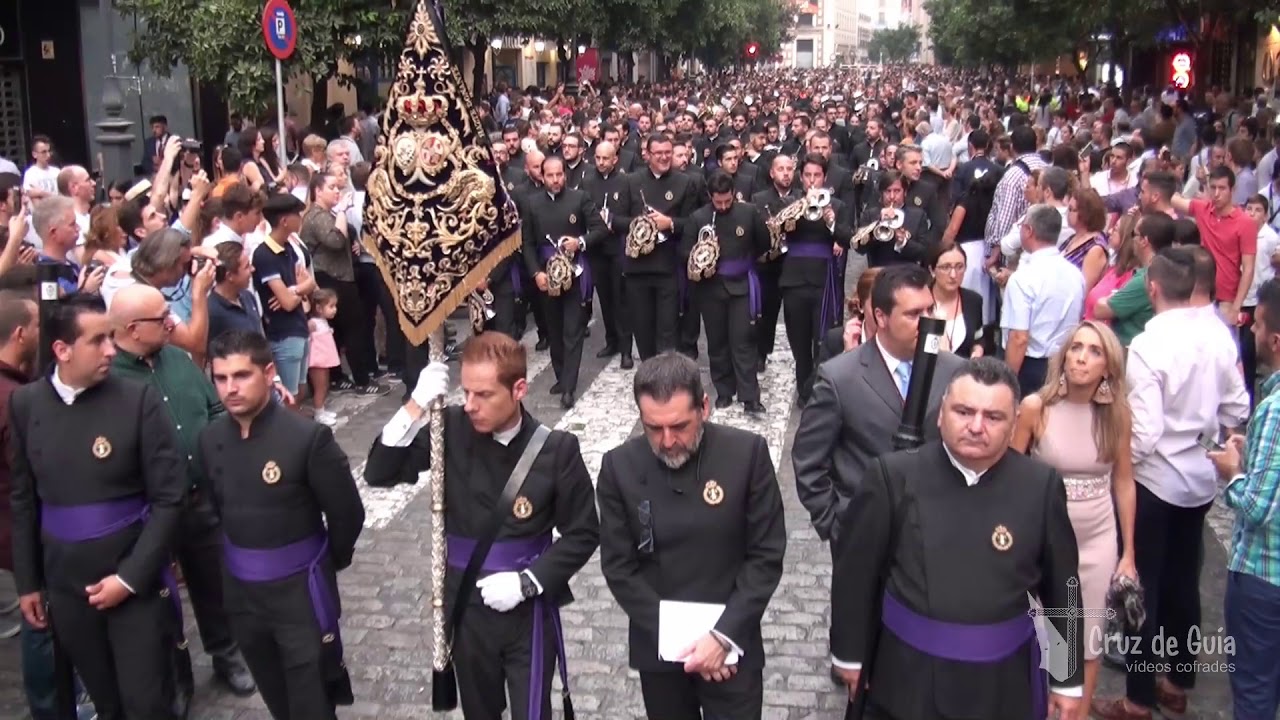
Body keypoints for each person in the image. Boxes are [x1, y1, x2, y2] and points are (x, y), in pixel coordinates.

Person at [830, 357, 1083, 720]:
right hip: (907, 676)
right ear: (941, 414)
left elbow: (1063, 585)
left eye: (993, 417)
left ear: (1013, 425)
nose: (976, 426)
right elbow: (856, 572)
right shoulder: (893, 476)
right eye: (964, 411)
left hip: (1002, 683)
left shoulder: (1040, 487)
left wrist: (1066, 678)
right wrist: (850, 655)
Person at [364, 332, 599, 720]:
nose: (470, 405)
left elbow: (584, 532)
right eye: (466, 392)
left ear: (519, 388)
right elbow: (379, 473)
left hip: (528, 613)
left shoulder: (556, 449)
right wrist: (414, 405)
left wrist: (529, 581)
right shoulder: (450, 427)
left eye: (484, 395)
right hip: (465, 604)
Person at [10, 294, 188, 719]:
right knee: (106, 700)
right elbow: (23, 497)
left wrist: (129, 578)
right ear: (61, 350)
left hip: (132, 580)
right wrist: (29, 583)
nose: (111, 349)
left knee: (145, 702)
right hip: (67, 585)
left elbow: (169, 497)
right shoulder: (26, 404)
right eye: (98, 341)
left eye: (111, 337)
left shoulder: (136, 401)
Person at [596, 351, 786, 719]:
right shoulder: (620, 467)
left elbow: (765, 554)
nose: (668, 441)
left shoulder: (747, 455)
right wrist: (689, 644)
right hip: (661, 649)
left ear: (704, 407)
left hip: (732, 649)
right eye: (653, 428)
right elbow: (619, 568)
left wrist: (722, 639)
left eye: (680, 426)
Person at [198, 330, 365, 720]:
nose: (230, 388)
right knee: (276, 698)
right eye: (220, 378)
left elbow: (347, 514)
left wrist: (325, 563)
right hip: (243, 596)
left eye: (241, 376)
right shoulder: (210, 439)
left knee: (311, 703)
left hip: (299, 596)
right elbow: (218, 508)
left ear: (269, 372)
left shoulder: (307, 438)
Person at [107, 284, 257, 699]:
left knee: (212, 583)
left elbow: (212, 408)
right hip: (150, 511)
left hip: (200, 498)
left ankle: (226, 652)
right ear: (134, 329)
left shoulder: (177, 359)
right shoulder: (111, 378)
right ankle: (173, 675)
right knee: (159, 598)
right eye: (161, 318)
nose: (172, 321)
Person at [792, 263, 966, 547]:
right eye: (913, 314)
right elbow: (808, 460)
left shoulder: (956, 371)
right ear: (881, 317)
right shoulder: (840, 377)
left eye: (929, 310)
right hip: (865, 537)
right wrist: (836, 524)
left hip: (938, 535)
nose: (927, 322)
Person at [682, 171, 772, 413]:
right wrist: (702, 257)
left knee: (743, 340)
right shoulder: (698, 217)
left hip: (741, 285)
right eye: (717, 201)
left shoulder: (748, 212)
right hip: (710, 288)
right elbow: (684, 252)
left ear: (733, 194)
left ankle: (750, 396)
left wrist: (746, 261)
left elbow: (764, 242)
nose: (722, 206)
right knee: (717, 341)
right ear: (710, 196)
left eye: (727, 201)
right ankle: (724, 390)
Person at [521, 154, 607, 409]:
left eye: (559, 174)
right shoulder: (531, 203)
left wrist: (579, 242)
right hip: (547, 275)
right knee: (555, 331)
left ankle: (569, 387)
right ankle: (561, 376)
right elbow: (527, 244)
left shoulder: (579, 198)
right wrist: (536, 273)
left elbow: (600, 229)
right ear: (542, 176)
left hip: (575, 274)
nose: (556, 179)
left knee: (572, 331)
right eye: (550, 175)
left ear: (564, 175)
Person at [307, 288, 340, 426]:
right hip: (317, 360)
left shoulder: (323, 322)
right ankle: (319, 413)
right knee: (320, 387)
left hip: (324, 360)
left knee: (325, 385)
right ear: (319, 308)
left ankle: (322, 409)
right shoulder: (313, 323)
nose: (335, 309)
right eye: (331, 306)